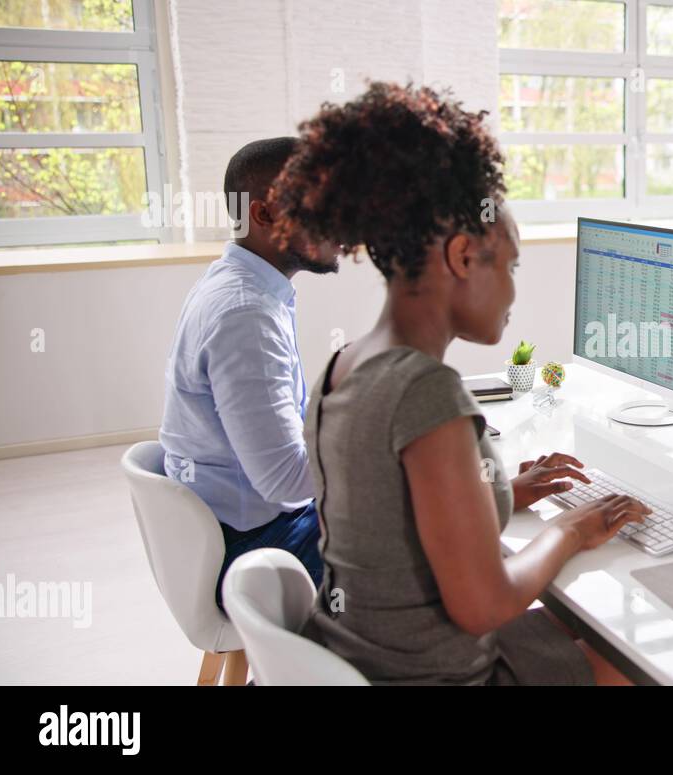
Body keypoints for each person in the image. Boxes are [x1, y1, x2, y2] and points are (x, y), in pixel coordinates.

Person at [272, 82, 649, 685]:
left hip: (357, 655)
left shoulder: (345, 365)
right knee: (637, 662)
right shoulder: (426, 390)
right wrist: (568, 529)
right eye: (510, 265)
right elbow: (484, 605)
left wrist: (503, 491)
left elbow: (388, 522)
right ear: (462, 257)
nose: (514, 289)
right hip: (431, 676)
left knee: (591, 632)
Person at [160, 137, 340, 606]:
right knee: (417, 526)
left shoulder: (237, 285)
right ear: (263, 216)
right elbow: (286, 480)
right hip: (249, 553)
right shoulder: (247, 314)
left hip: (233, 532)